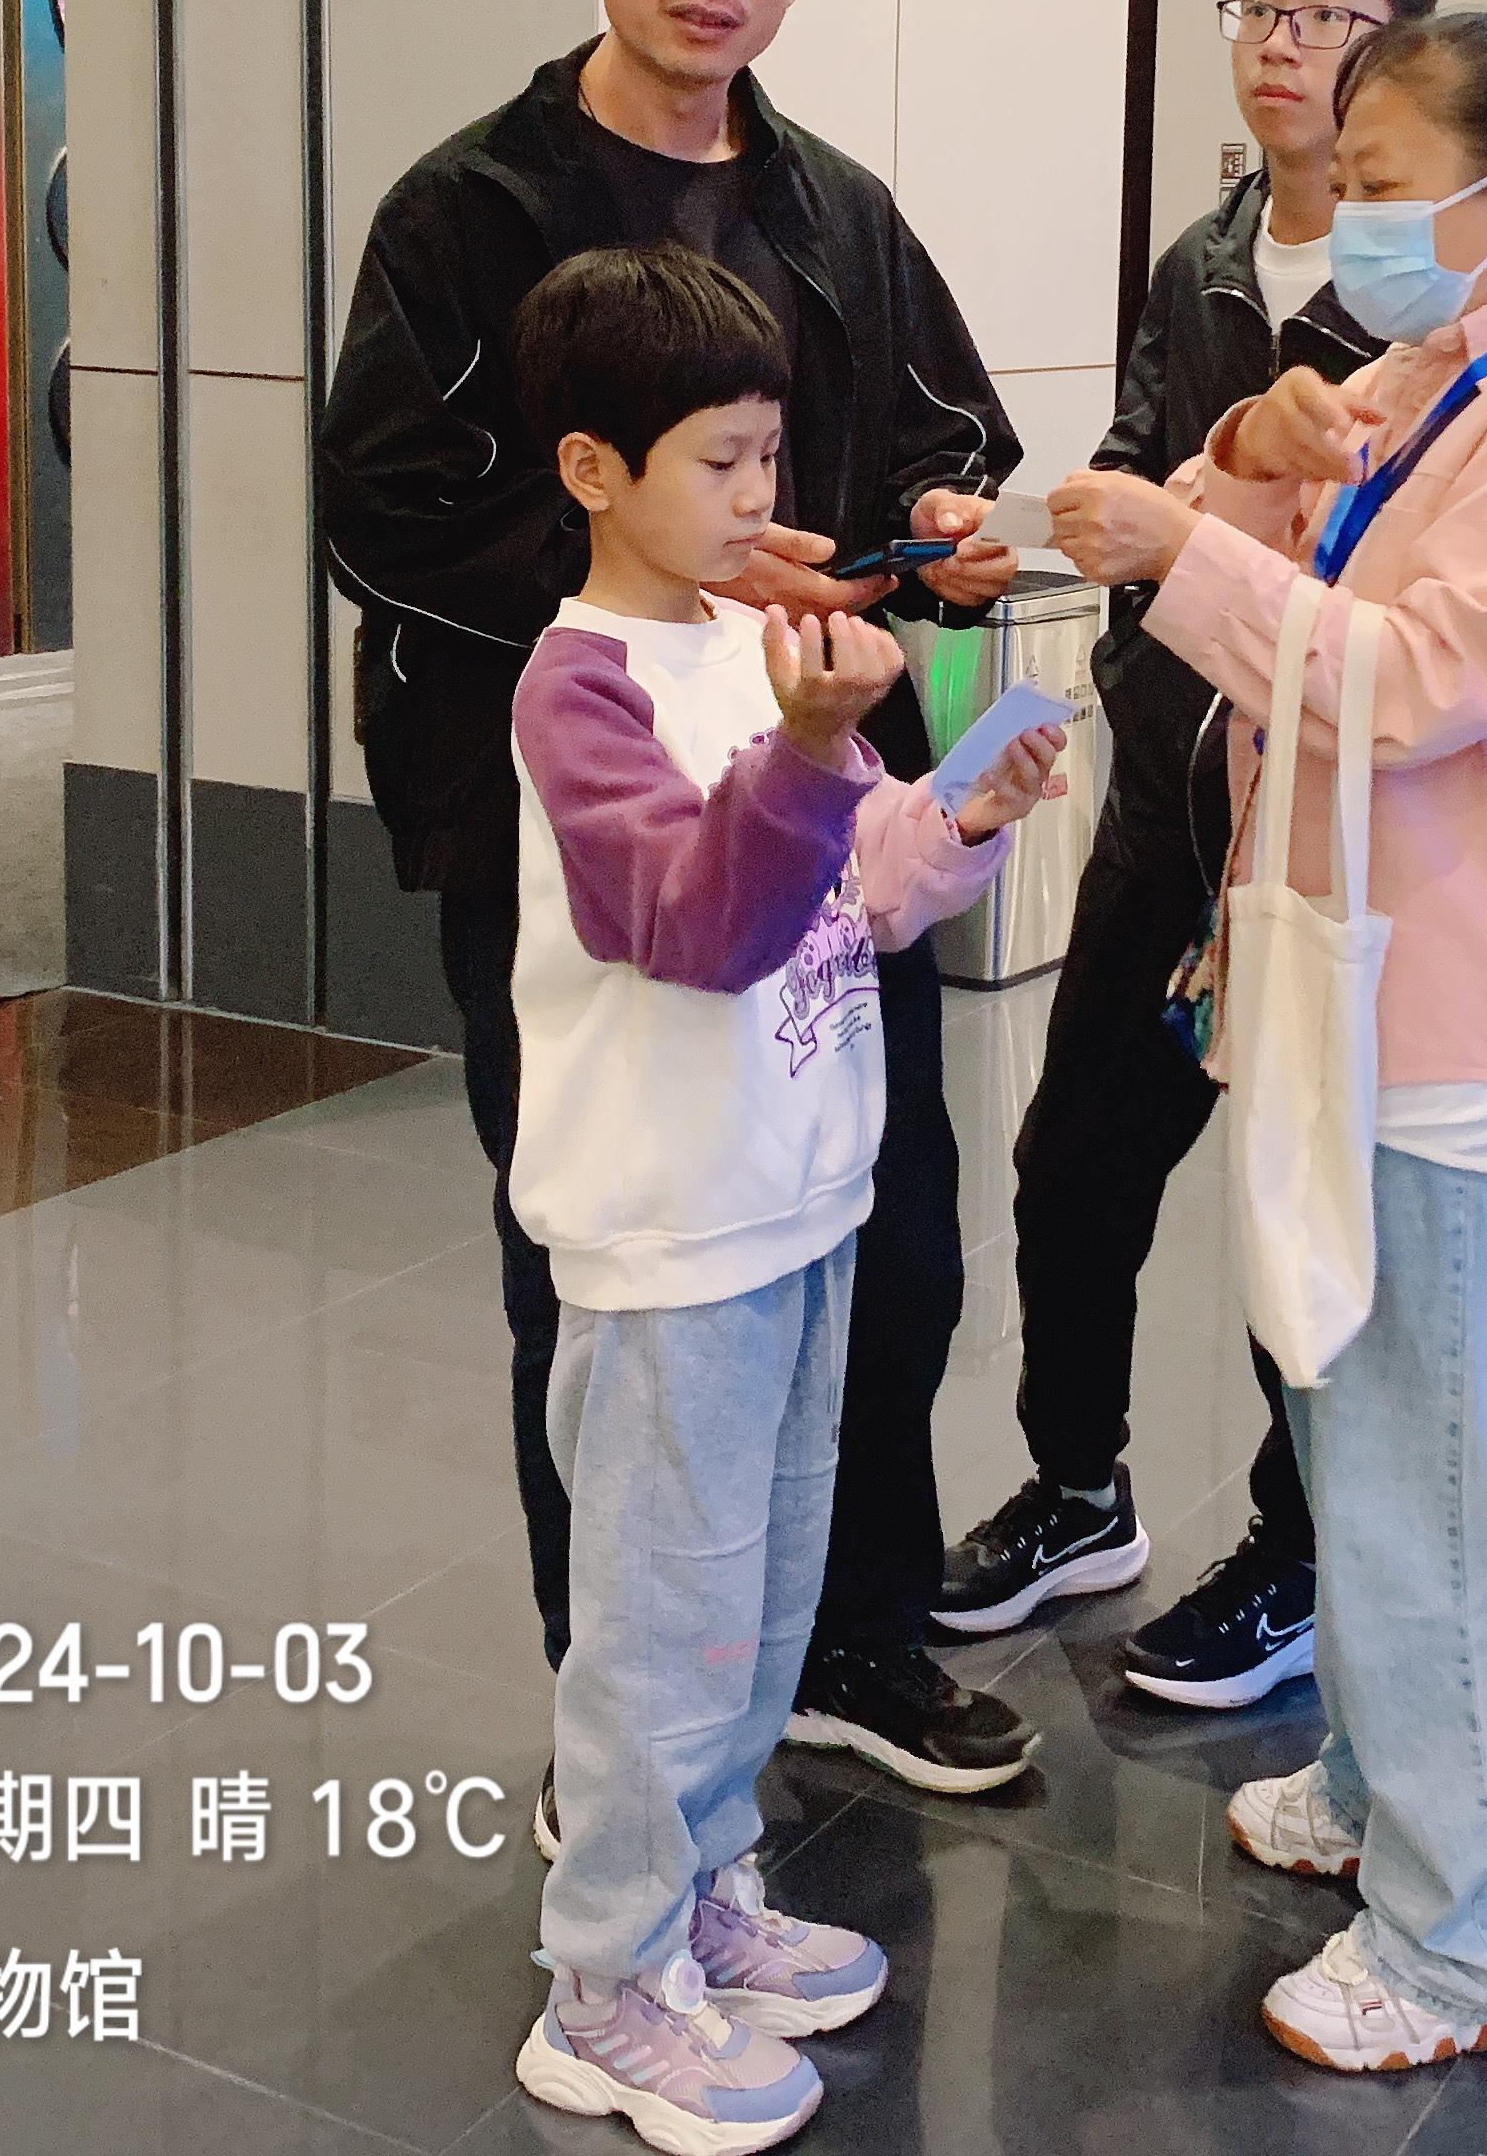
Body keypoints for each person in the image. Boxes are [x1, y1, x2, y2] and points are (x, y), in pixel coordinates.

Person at [316, 0, 1043, 1799]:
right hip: (574, 813)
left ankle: (851, 1638)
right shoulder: (469, 211)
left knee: (880, 1231)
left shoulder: (836, 211)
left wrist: (940, 532)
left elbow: (942, 445)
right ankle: (620, 1715)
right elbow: (381, 505)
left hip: (815, 787)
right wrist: (673, 577)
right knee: (614, 1280)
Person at [1044, 12, 1487, 2075]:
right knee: (1360, 1426)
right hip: (1370, 990)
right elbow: (1276, 561)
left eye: (1381, 174)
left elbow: (1418, 678)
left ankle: (1485, 1935)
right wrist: (1242, 469)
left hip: (1485, 1013)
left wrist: (1183, 552)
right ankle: (1385, 1783)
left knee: (1441, 1478)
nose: (1346, 210)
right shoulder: (1446, 373)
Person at [499, 247, 1067, 2153]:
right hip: (674, 1234)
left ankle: (698, 1891)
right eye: (720, 460)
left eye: (769, 453)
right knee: (658, 1631)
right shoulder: (580, 686)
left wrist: (954, 806)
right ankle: (604, 1981)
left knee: (752, 1607)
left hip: (799, 1199)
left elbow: (856, 884)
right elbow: (697, 920)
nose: (760, 497)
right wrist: (812, 746)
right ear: (594, 467)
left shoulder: (752, 636)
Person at [932, 0, 1428, 1708]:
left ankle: (1298, 1553)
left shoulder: (1424, 291)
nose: (1284, 44)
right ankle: (1078, 1485)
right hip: (1169, 794)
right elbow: (1145, 465)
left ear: (1400, 48)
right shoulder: (1200, 257)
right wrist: (1052, 524)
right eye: (1260, 9)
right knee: (1073, 1160)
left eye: (1328, 13)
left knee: (1299, 1196)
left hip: (1326, 819)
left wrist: (1189, 527)